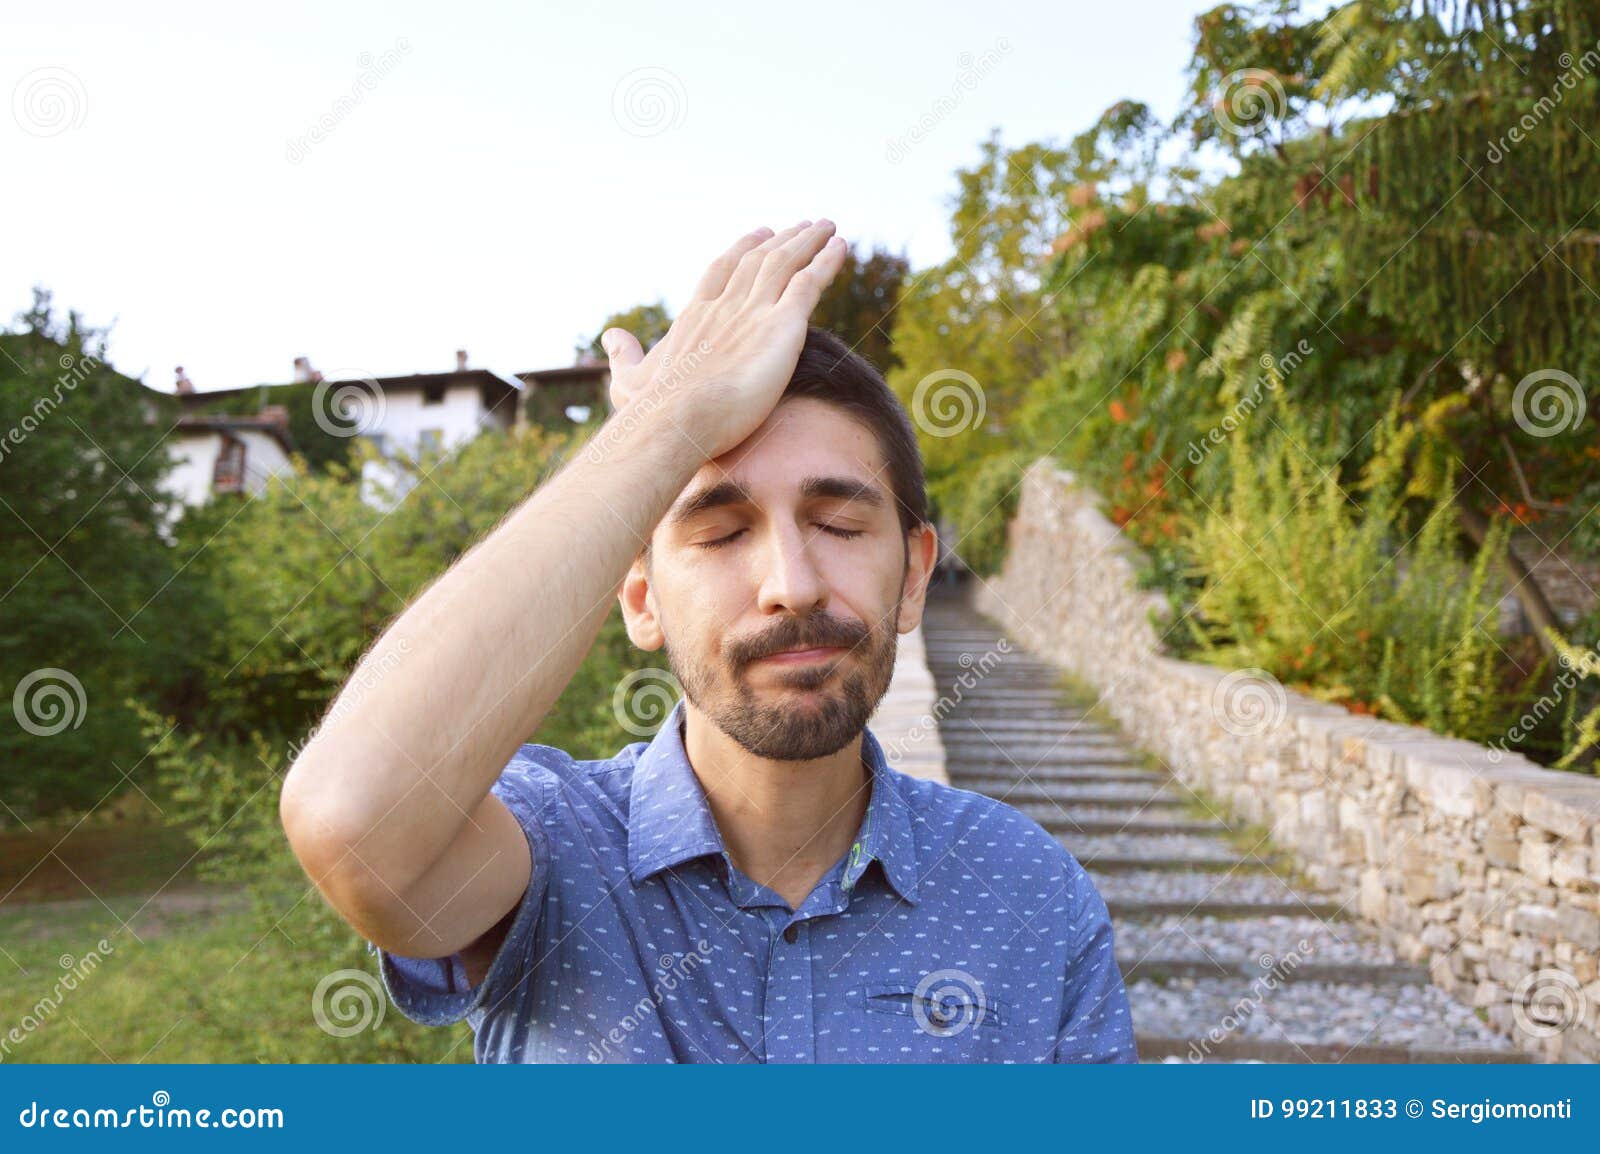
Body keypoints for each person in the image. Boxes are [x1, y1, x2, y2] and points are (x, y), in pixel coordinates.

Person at [278, 220, 1136, 1063]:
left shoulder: (1032, 893)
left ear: (915, 576)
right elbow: (354, 823)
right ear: (641, 599)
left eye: (837, 523)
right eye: (721, 535)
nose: (792, 584)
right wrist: (668, 422)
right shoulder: (551, 846)